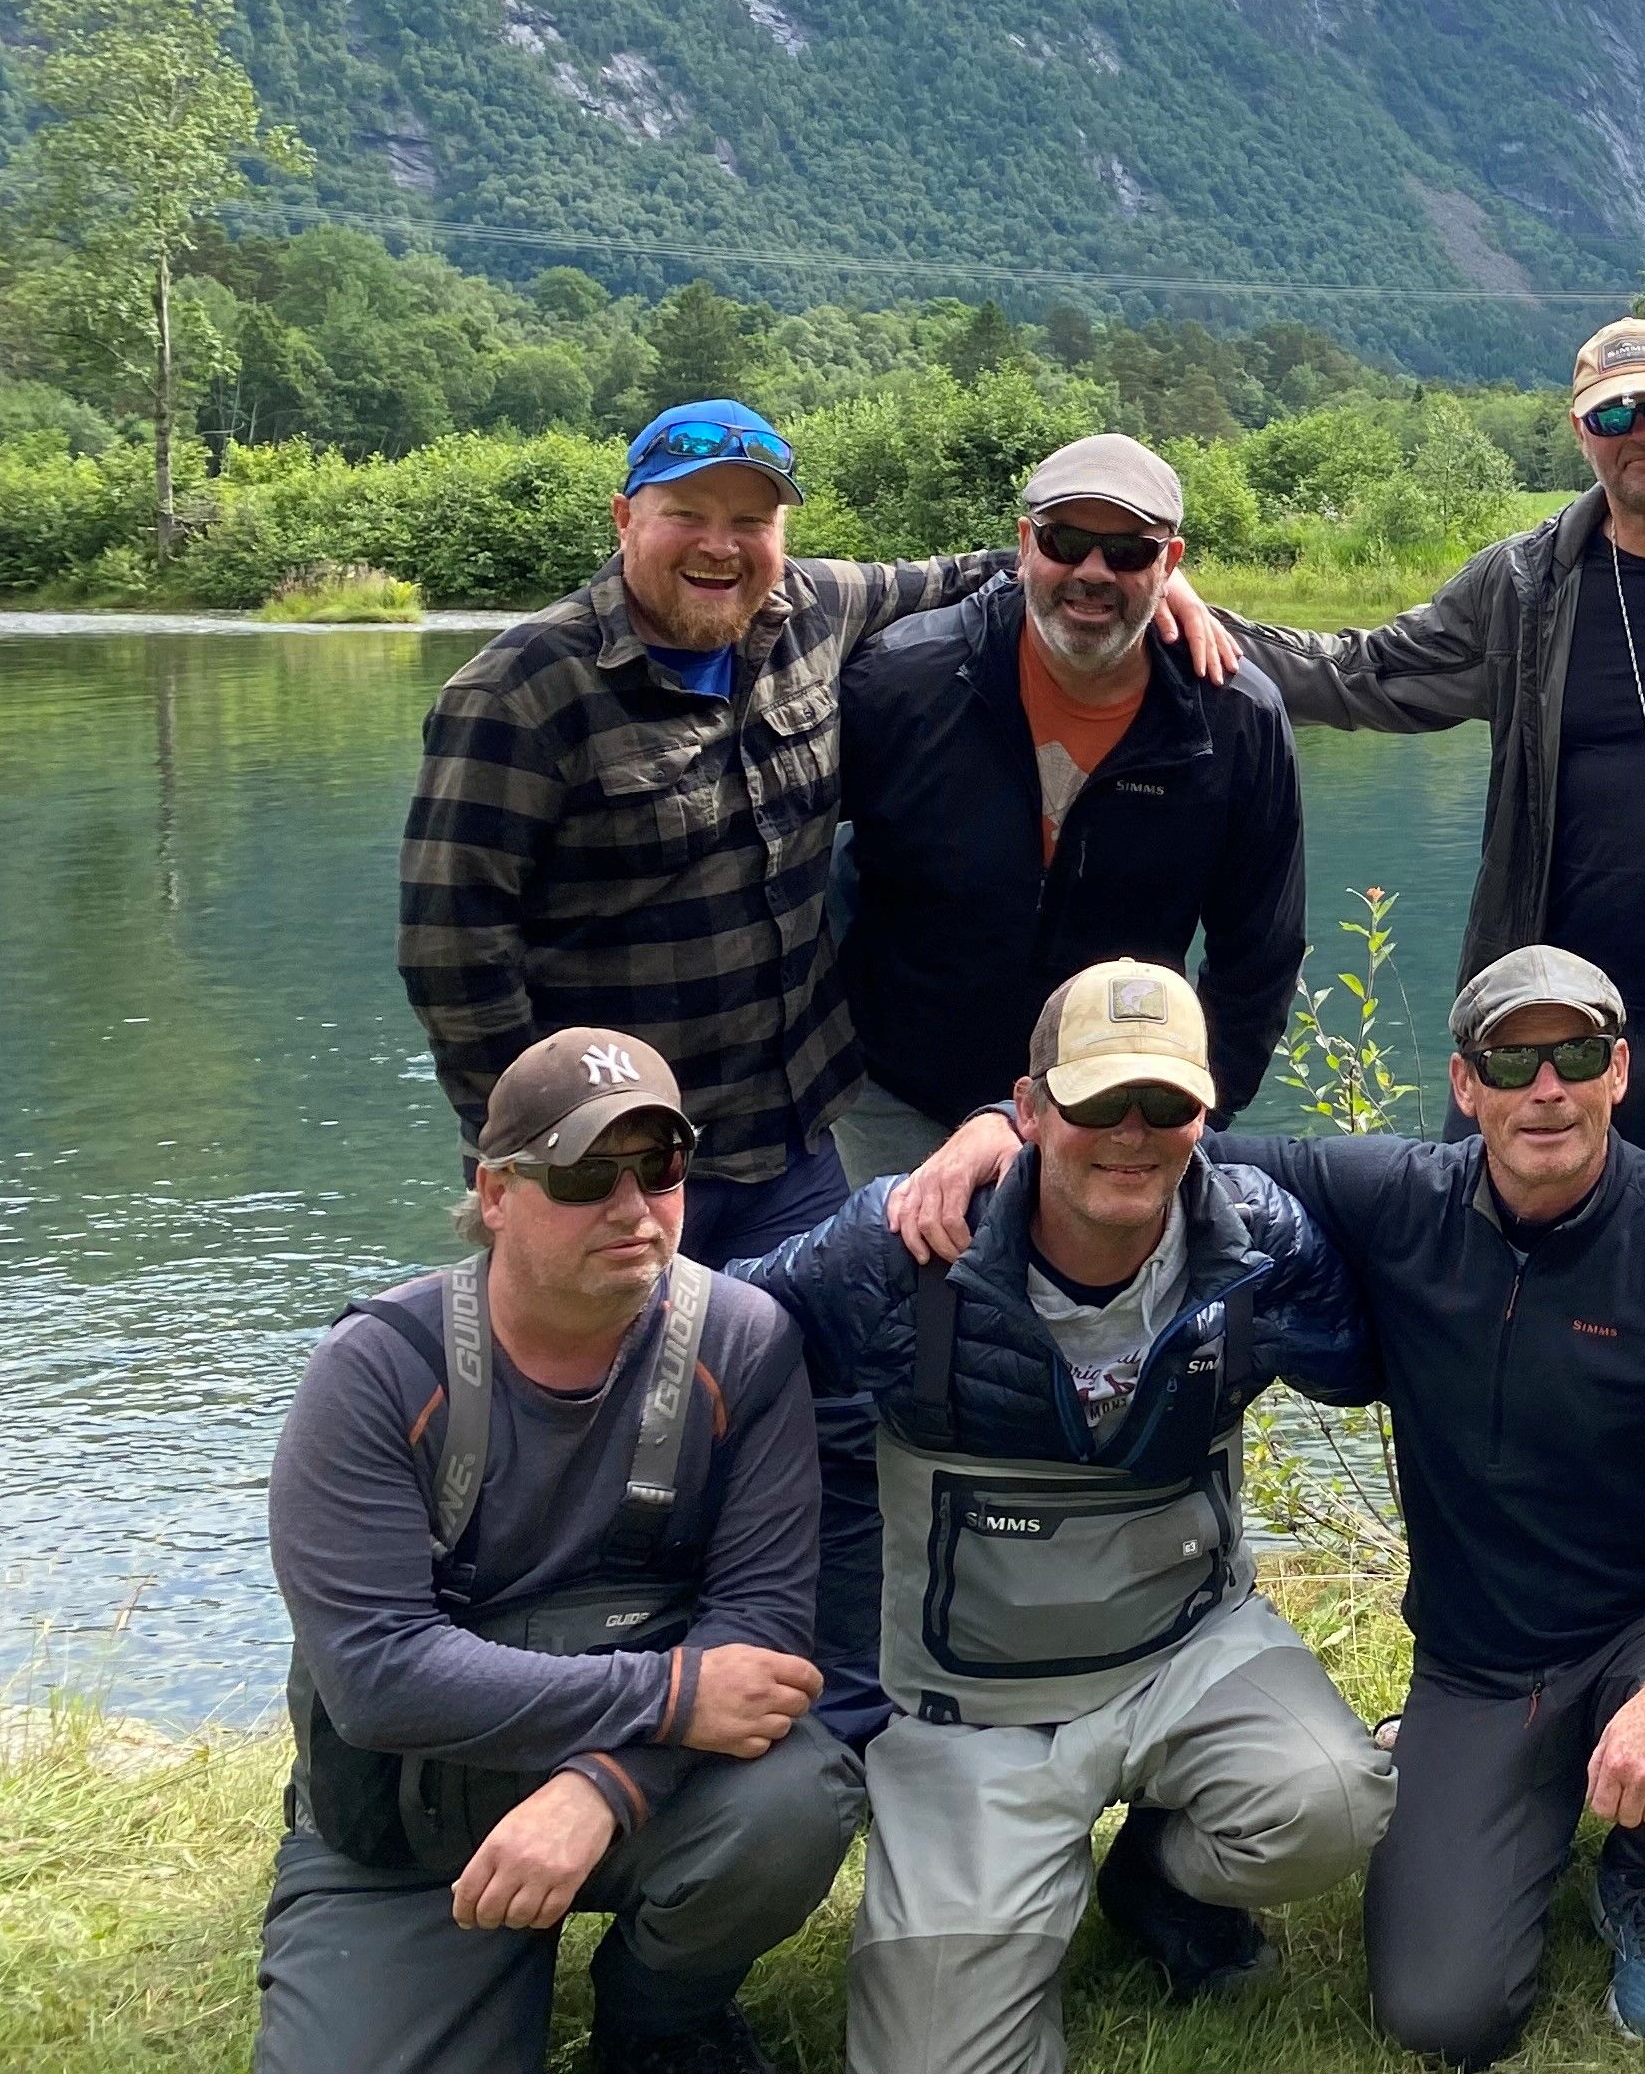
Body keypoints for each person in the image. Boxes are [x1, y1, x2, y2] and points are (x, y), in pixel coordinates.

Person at [399, 398, 1227, 1740]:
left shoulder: (816, 612)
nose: (721, 545)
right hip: (610, 1169)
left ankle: (828, 1724)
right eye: (688, 516)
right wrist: (532, 1170)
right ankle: (545, 1717)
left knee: (812, 1425)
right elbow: (454, 953)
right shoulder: (518, 693)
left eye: (751, 519)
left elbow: (992, 565)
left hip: (792, 1138)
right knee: (582, 1433)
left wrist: (1163, 596)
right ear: (625, 520)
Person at [893, 944, 1645, 2060]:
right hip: (1481, 1666)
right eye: (1510, 1064)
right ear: (1464, 1084)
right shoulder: (1399, 1197)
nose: (1546, 1091)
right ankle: (1462, 1774)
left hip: (1644, 1631)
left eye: (1575, 1056)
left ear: (1618, 1071)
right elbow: (1166, 1139)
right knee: (1443, 2016)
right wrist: (1003, 1123)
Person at [733, 962, 1395, 2069]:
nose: (1131, 1133)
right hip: (974, 1707)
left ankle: (1158, 1879)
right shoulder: (901, 1245)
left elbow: (1385, 1359)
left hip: (1191, 1652)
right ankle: (1019, 1883)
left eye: (1164, 1103)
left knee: (1330, 1802)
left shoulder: (1263, 1242)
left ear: (1205, 1115)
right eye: (1096, 1101)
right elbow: (717, 1356)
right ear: (1031, 1109)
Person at [260, 1029, 860, 2074]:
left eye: (659, 1167)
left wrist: (600, 1790)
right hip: (410, 1826)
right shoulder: (375, 1372)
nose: (632, 1208)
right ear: (496, 1193)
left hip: (650, 1787)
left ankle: (660, 2023)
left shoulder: (746, 1343)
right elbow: (375, 1676)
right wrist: (672, 1697)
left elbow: (759, 1636)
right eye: (586, 1175)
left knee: (798, 1795)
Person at [1220, 317, 1645, 1248]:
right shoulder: (1526, 585)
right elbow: (1367, 672)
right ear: (1581, 433)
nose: (1641, 431)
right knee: (1489, 1277)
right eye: (1612, 416)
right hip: (1540, 1029)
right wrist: (1175, 614)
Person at [829, 431, 1308, 1186]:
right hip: (897, 1101)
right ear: (1025, 546)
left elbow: (1260, 955)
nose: (1092, 571)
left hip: (1117, 1111)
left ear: (1170, 564)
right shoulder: (903, 681)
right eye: (1066, 541)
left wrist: (1190, 1109)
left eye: (1127, 552)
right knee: (903, 1267)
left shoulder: (1235, 720)